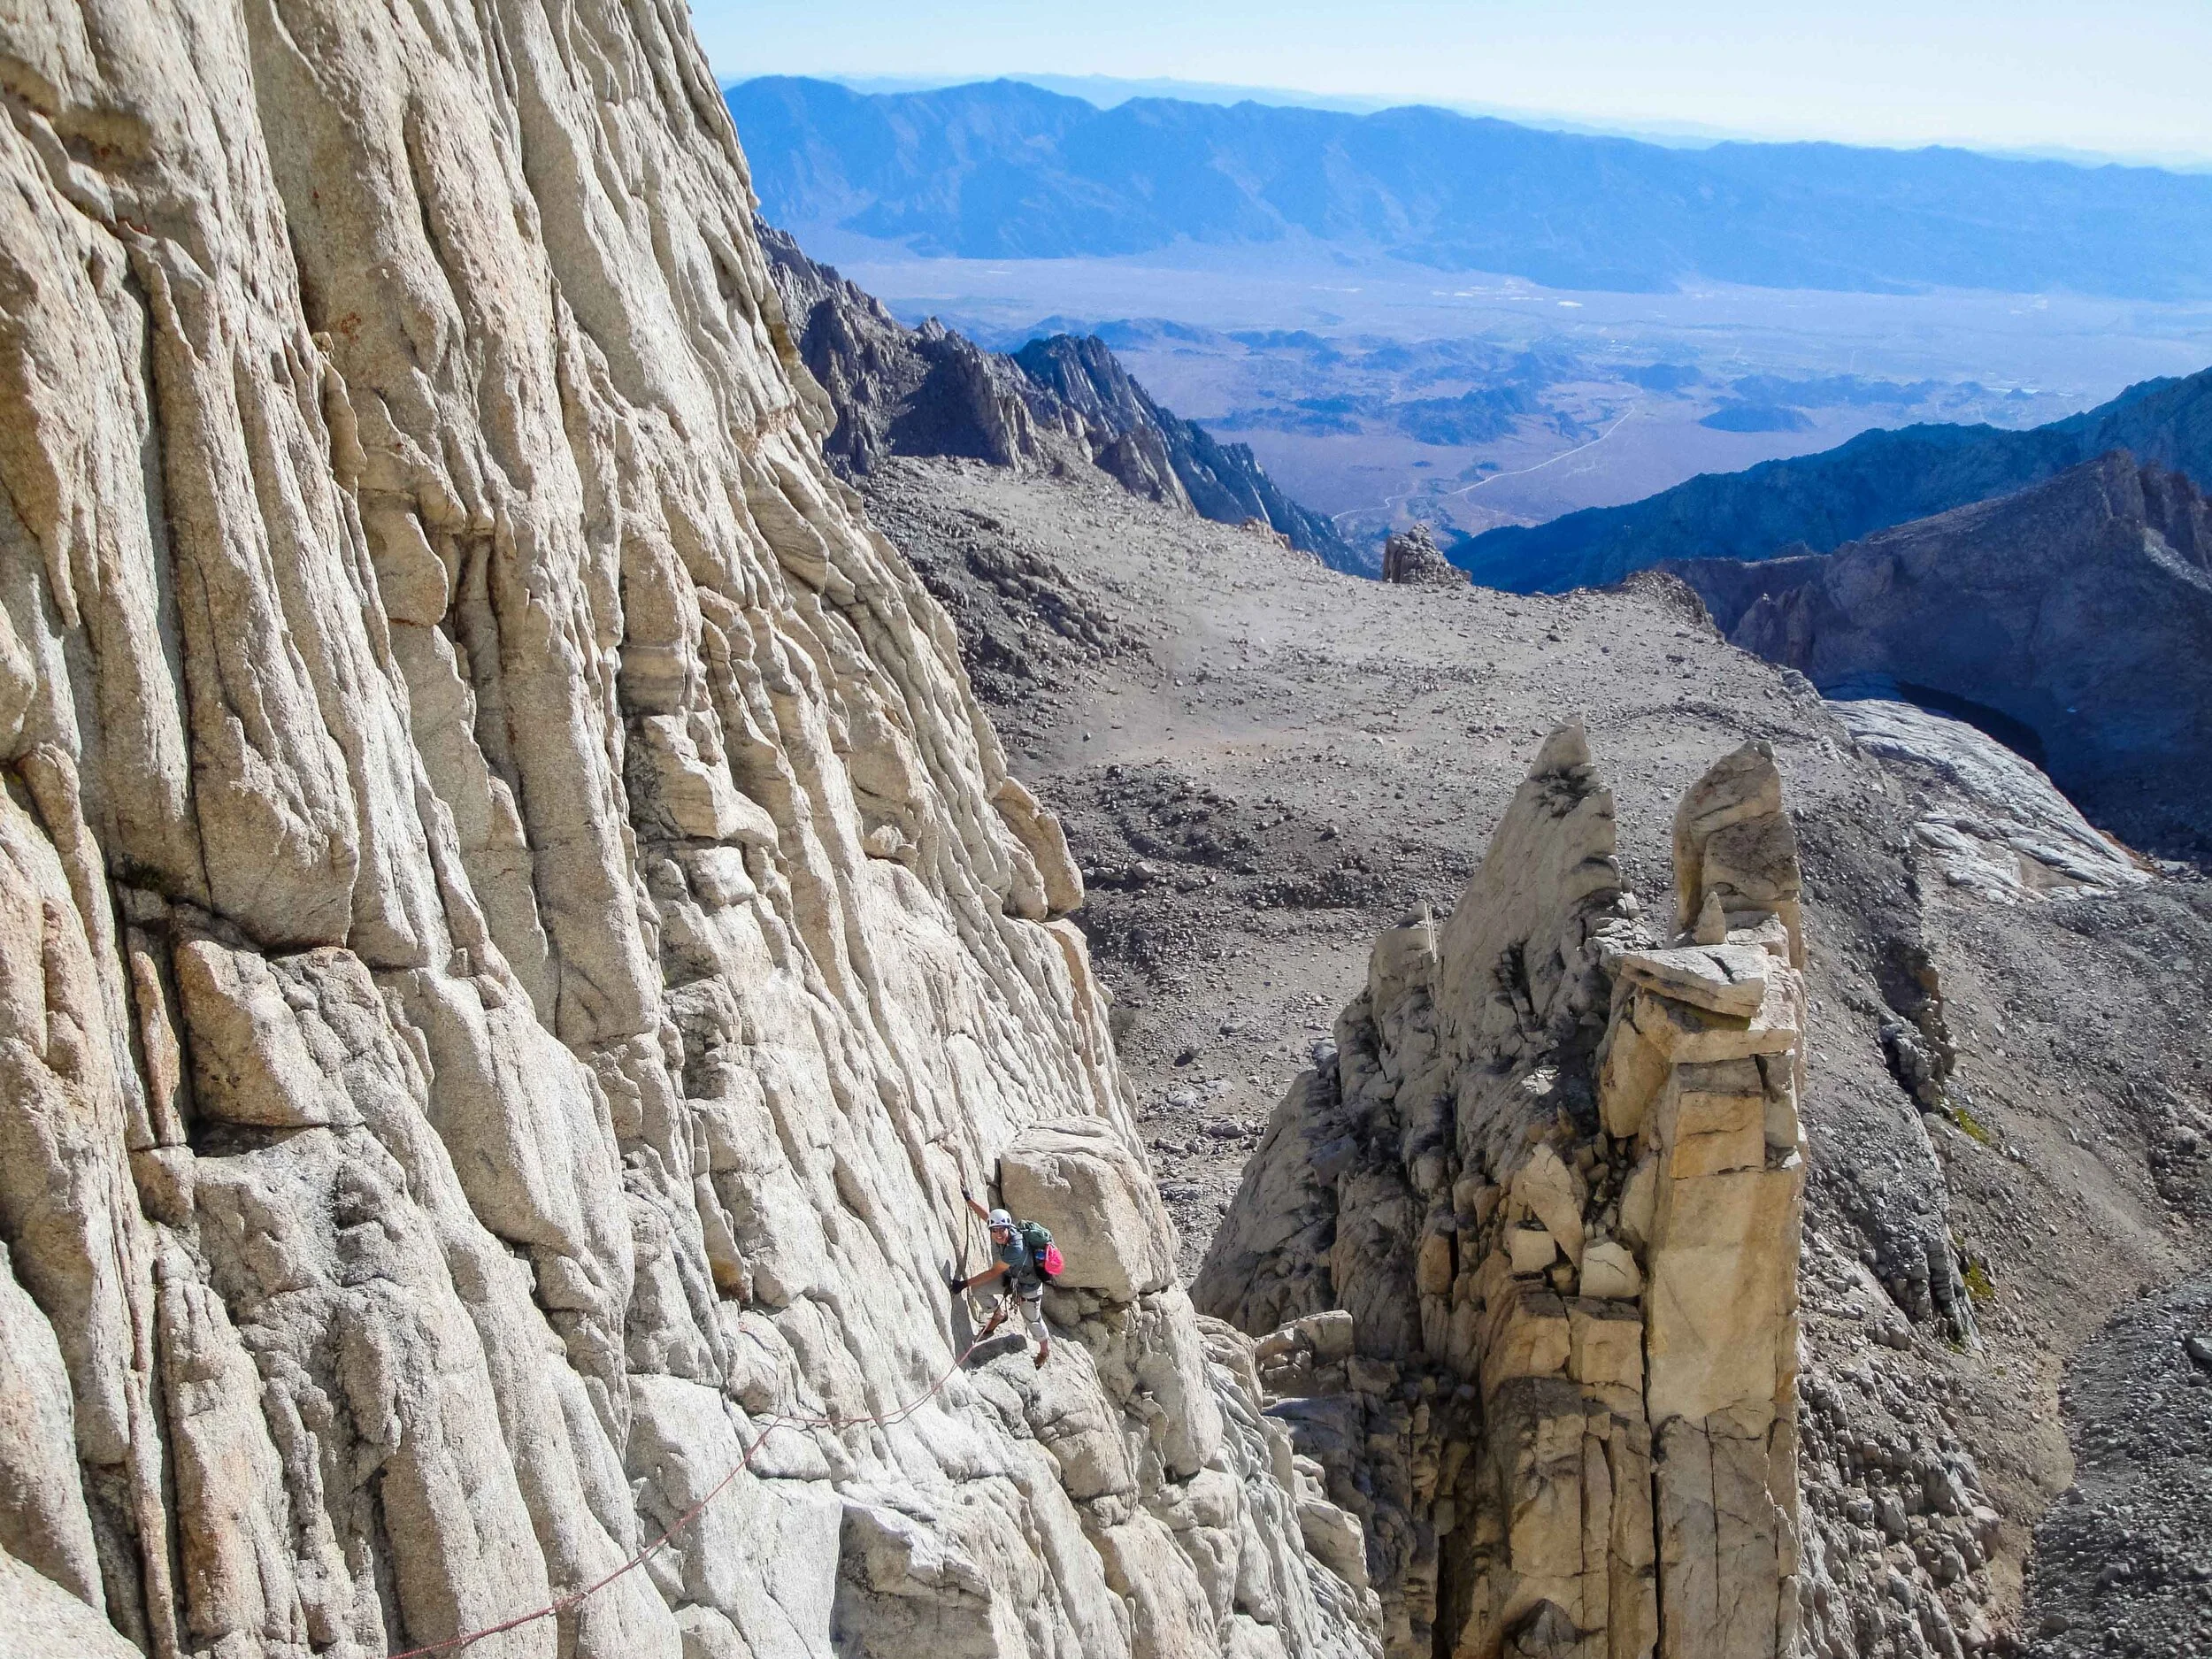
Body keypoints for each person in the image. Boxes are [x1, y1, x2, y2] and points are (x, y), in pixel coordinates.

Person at [949, 1189, 1051, 1368]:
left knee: (1032, 1321)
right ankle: (998, 1315)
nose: (998, 1234)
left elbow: (992, 1272)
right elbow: (988, 1217)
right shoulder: (1006, 1229)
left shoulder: (1015, 1249)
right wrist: (969, 1200)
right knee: (979, 1289)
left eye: (1001, 1230)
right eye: (994, 1230)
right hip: (1012, 1277)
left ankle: (1044, 1351)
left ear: (1008, 1228)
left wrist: (963, 1284)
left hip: (1029, 1288)